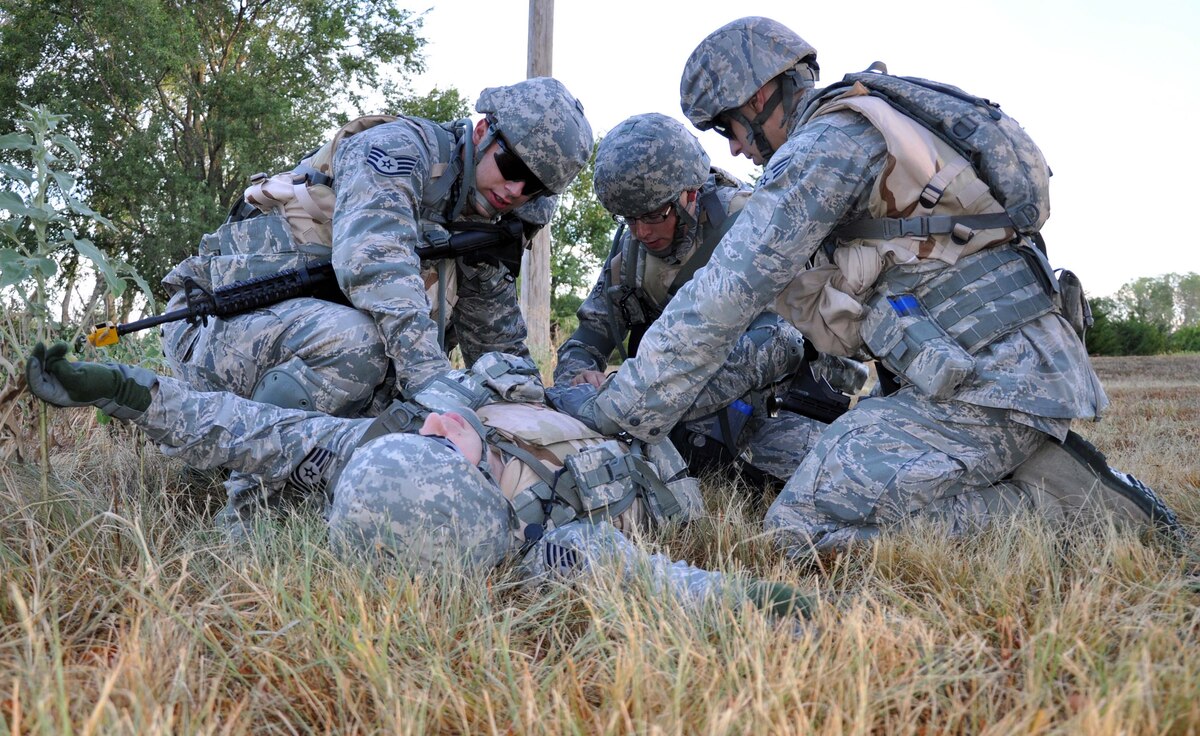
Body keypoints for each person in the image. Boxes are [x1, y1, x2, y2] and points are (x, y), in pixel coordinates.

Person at [548, 17, 1182, 557]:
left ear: (764, 94)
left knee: (801, 531)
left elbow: (722, 296)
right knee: (821, 487)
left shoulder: (823, 149)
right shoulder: (858, 131)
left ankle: (1052, 516)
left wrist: (616, 409)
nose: (736, 150)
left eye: (731, 126)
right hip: (984, 380)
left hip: (985, 388)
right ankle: (1029, 469)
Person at [25, 342, 810, 617]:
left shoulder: (380, 459)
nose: (435, 424)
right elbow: (658, 582)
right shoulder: (548, 546)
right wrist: (755, 599)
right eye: (445, 447)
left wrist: (120, 390)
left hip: (571, 398)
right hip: (656, 442)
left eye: (433, 437)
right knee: (733, 405)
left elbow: (243, 428)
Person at [160, 76, 593, 418]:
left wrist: (541, 412)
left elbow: (496, 342)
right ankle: (253, 487)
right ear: (482, 130)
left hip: (298, 342)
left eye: (535, 187)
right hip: (215, 326)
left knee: (438, 409)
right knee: (367, 348)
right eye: (512, 165)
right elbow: (372, 262)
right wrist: (430, 379)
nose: (516, 189)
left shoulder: (483, 224)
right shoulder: (399, 150)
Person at [555, 113, 868, 484]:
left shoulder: (751, 223)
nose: (642, 231)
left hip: (783, 397)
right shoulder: (631, 253)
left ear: (691, 191)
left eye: (656, 214)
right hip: (667, 407)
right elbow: (588, 337)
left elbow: (780, 342)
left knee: (811, 483)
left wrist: (631, 395)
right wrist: (578, 377)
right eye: (629, 217)